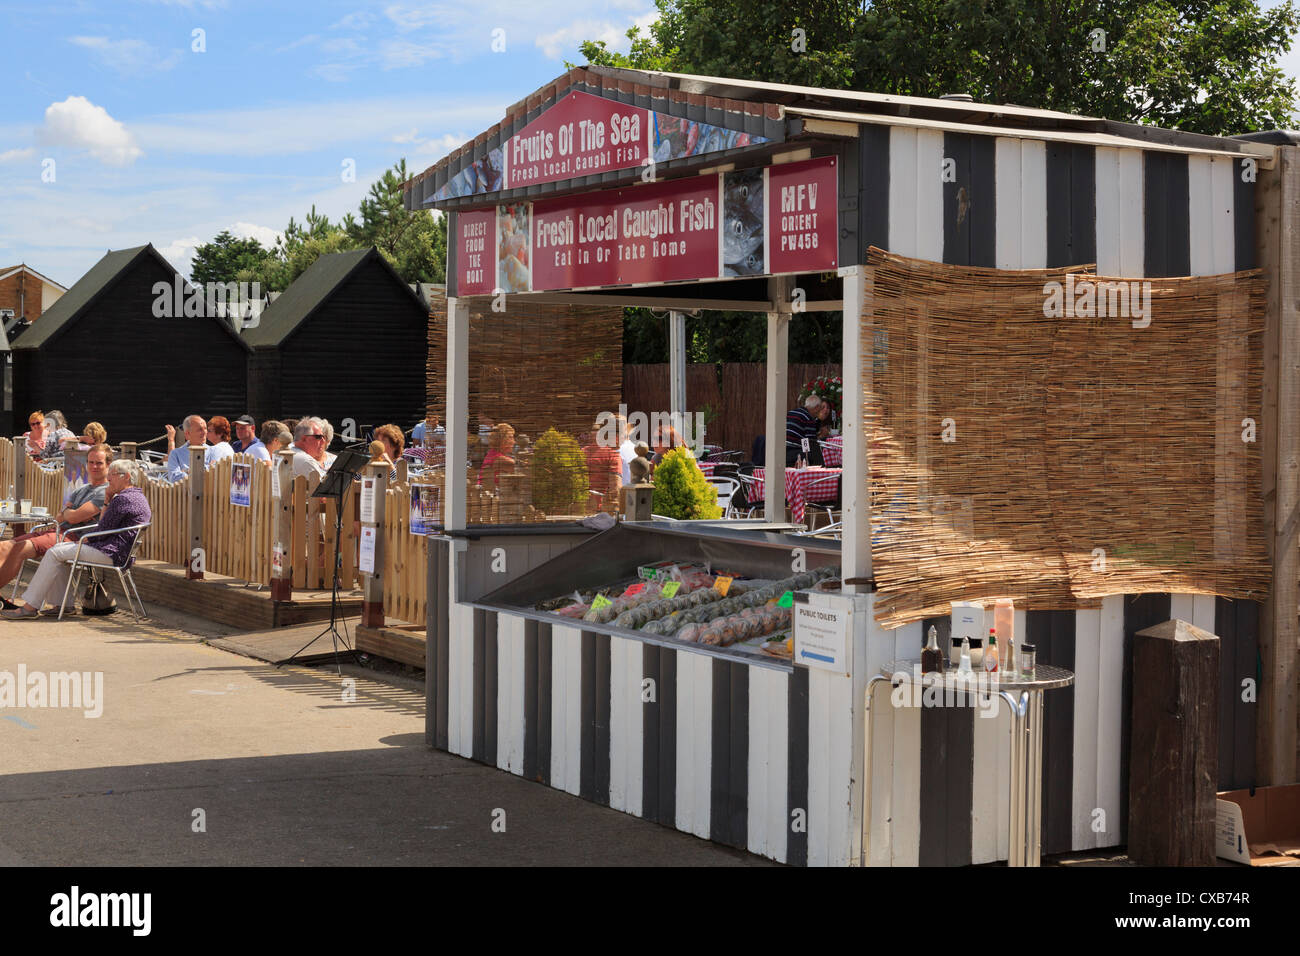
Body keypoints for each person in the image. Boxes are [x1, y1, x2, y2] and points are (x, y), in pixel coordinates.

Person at [2, 458, 150, 619]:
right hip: (118, 552)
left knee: (54, 552)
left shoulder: (123, 499)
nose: (108, 479)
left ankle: (30, 607)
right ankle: (62, 606)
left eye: (112, 475)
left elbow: (102, 529)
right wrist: (107, 500)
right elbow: (104, 526)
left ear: (126, 476)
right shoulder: (135, 496)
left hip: (110, 553)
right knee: (60, 552)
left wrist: (84, 540)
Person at [0, 443, 111, 609]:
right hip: (58, 530)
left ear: (108, 465)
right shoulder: (81, 489)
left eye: (99, 463)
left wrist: (69, 511)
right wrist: (69, 512)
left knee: (19, 548)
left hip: (75, 537)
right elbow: (60, 517)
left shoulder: (105, 491)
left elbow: (73, 517)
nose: (94, 466)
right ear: (86, 463)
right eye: (91, 462)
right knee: (4, 545)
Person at [582, 421, 621, 511]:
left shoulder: (580, 453)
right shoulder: (613, 455)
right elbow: (615, 487)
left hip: (581, 507)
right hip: (601, 508)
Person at [786, 394, 827, 466]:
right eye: (820, 409)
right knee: (815, 455)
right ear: (816, 407)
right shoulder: (808, 418)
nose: (819, 413)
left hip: (781, 449)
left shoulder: (791, 413)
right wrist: (821, 437)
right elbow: (811, 442)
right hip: (793, 451)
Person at [164, 415, 208, 480]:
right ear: (187, 434)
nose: (204, 432)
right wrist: (205, 469)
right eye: (200, 429)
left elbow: (216, 475)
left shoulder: (214, 451)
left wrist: (186, 471)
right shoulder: (175, 454)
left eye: (205, 428)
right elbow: (174, 478)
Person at [478, 423, 515, 488]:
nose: (514, 442)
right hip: (492, 495)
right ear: (502, 440)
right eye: (510, 437)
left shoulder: (491, 454)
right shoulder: (500, 459)